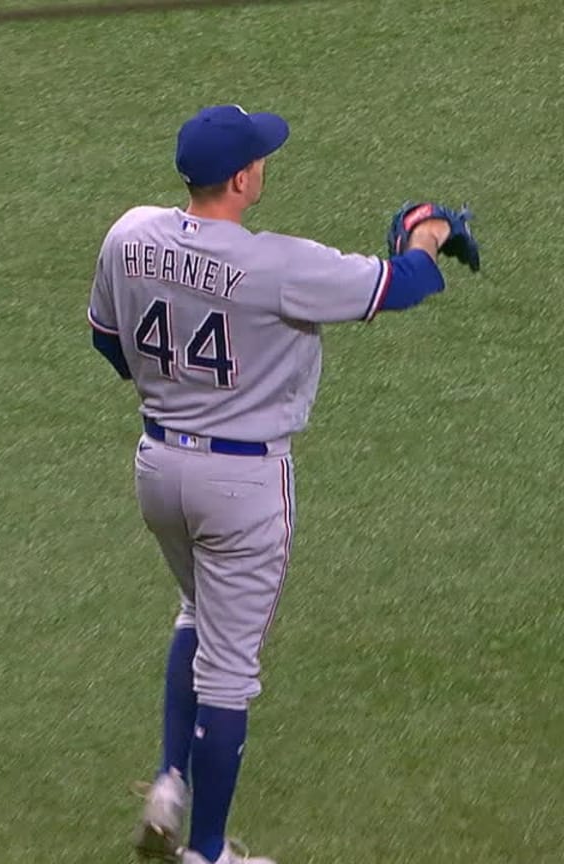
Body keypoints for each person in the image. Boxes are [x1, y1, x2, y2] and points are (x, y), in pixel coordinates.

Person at [85, 104, 479, 864]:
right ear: (241, 179)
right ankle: (206, 852)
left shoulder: (129, 234)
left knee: (196, 611)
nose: (264, 165)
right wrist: (427, 232)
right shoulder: (281, 266)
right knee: (230, 670)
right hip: (242, 483)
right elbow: (404, 284)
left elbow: (108, 342)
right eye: (259, 158)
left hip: (159, 465)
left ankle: (169, 781)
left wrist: (176, 390)